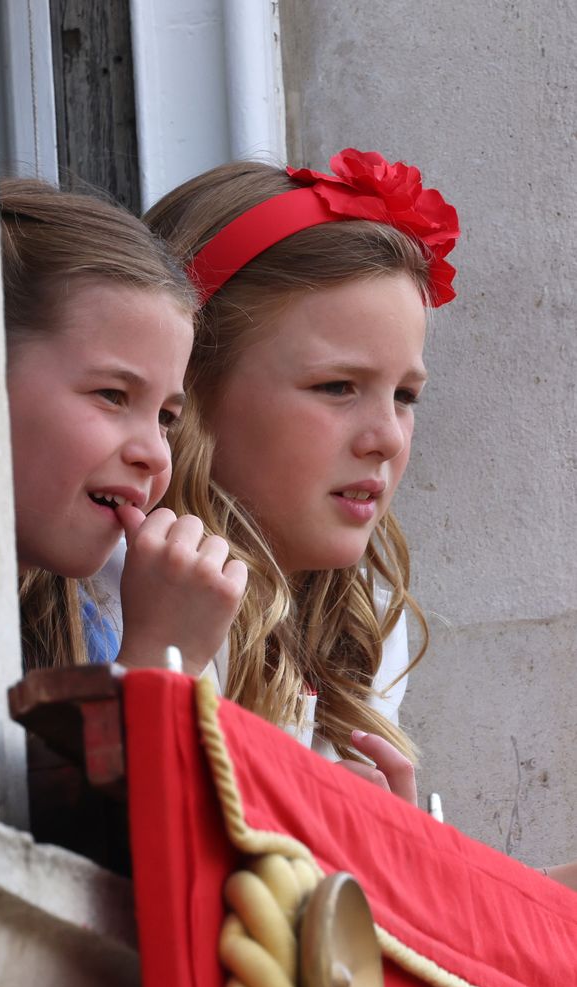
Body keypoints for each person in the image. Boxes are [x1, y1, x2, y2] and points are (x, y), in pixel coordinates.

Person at [137, 148, 460, 805]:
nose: (386, 438)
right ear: (190, 391)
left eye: (405, 396)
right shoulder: (130, 584)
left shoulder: (362, 616)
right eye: (337, 386)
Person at [0, 177, 247, 679]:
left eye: (166, 418)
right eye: (112, 395)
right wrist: (160, 663)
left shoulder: (85, 627)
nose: (155, 455)